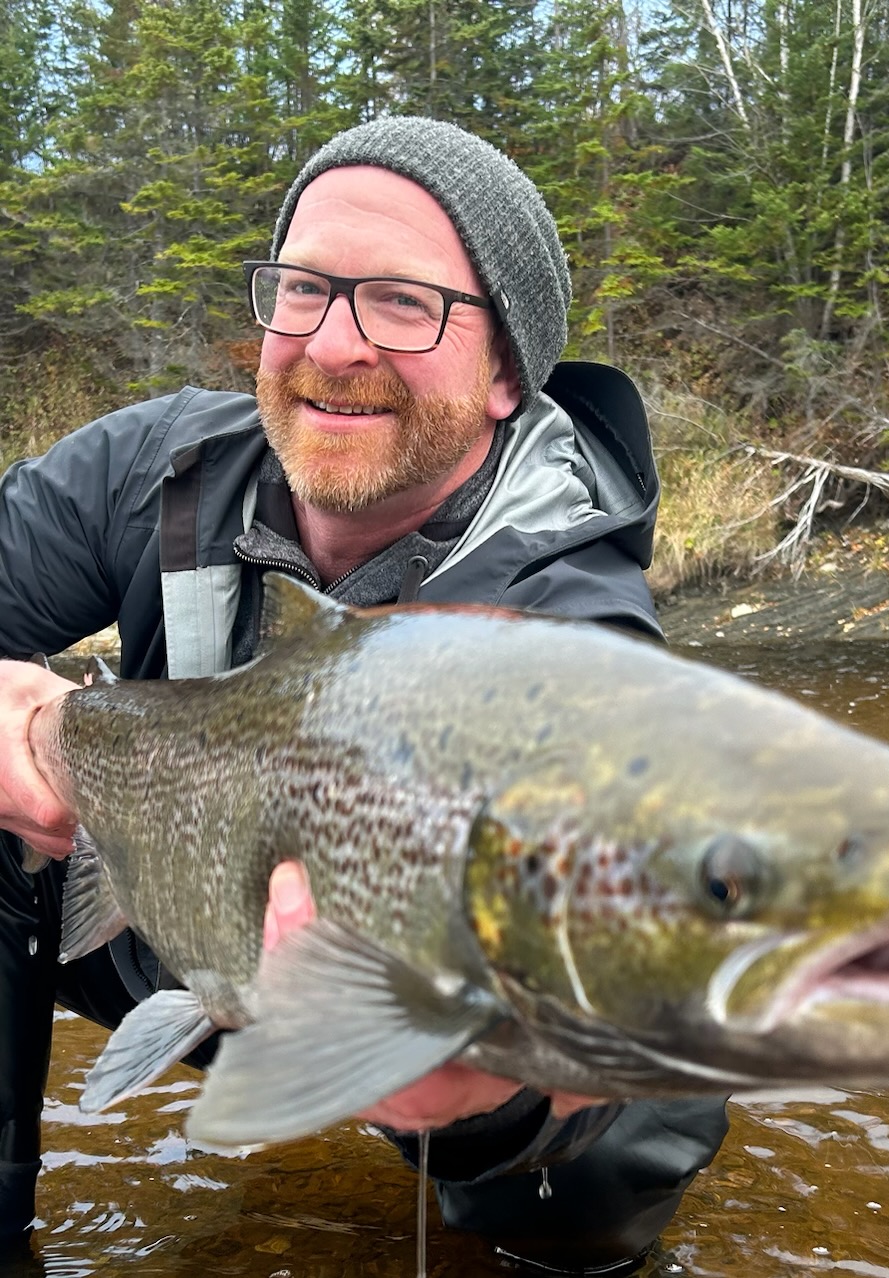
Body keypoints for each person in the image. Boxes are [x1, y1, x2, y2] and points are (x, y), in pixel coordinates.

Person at [0, 116, 729, 1274]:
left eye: (403, 302)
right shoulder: (158, 468)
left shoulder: (574, 633)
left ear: (505, 372)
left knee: (625, 1085)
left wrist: (497, 1102)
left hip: (408, 996)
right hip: (168, 914)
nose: (335, 345)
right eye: (304, 290)